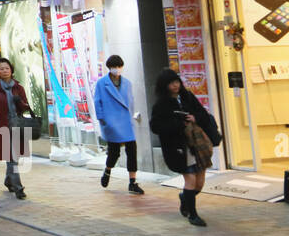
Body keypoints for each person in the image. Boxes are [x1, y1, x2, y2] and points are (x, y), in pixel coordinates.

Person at [150, 68, 219, 227]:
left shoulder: (187, 96)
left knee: (199, 183)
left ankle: (185, 198)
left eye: (176, 82)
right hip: (179, 147)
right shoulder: (161, 104)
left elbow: (203, 113)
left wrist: (195, 118)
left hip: (197, 144)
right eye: (171, 83)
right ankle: (193, 215)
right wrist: (178, 124)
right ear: (164, 86)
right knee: (191, 179)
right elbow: (156, 126)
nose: (175, 86)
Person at [93, 54, 143, 195]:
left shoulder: (127, 83)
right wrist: (103, 120)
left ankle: (132, 182)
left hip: (126, 122)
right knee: (114, 153)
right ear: (109, 68)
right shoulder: (102, 83)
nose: (117, 69)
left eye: (119, 66)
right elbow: (98, 102)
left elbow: (130, 101)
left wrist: (131, 116)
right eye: (114, 67)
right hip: (111, 123)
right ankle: (107, 171)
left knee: (132, 150)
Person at [0, 58, 32, 200]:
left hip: (17, 125)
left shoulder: (19, 88)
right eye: (1, 69)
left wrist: (21, 103)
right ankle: (19, 188)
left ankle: (8, 180)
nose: (5, 71)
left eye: (7, 68)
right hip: (3, 127)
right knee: (11, 159)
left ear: (11, 70)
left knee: (14, 158)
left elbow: (26, 107)